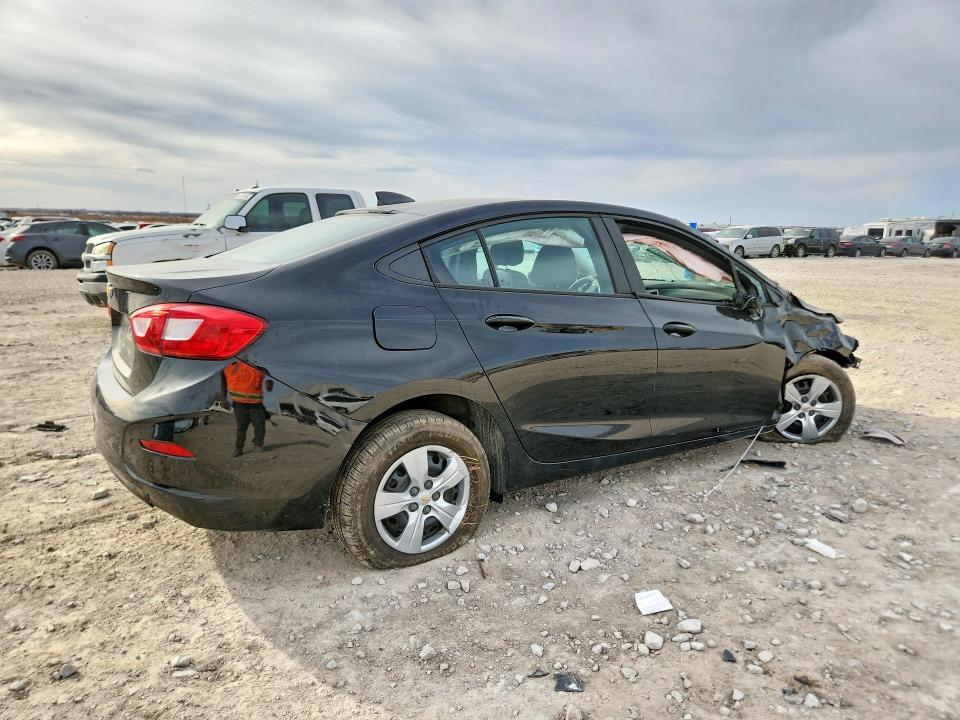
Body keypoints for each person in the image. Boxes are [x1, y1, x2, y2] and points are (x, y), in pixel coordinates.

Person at [224, 361, 267, 456]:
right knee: (242, 428)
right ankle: (239, 448)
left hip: (256, 404)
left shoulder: (258, 366)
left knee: (259, 426)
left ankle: (258, 445)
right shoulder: (231, 366)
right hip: (240, 404)